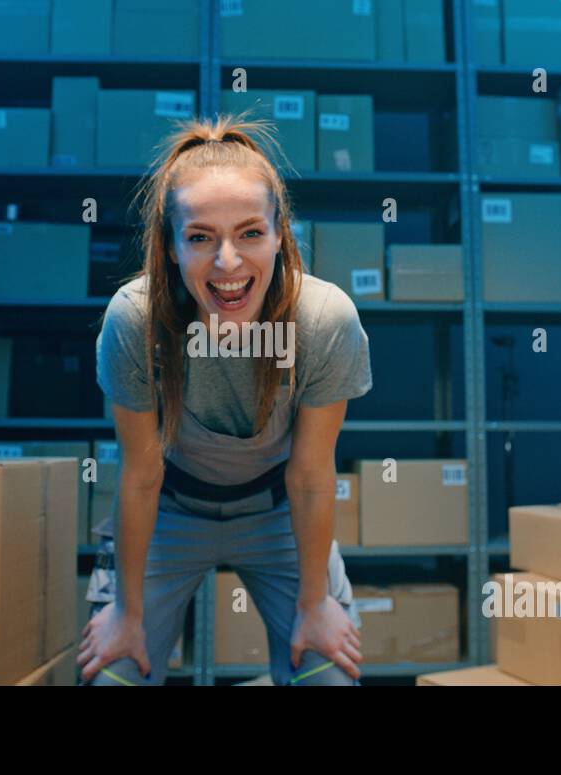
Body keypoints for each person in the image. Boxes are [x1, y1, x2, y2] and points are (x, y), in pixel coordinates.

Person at [79, 113, 373, 686]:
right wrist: (126, 613)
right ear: (169, 246)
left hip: (277, 516)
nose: (229, 263)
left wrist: (316, 605)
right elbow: (140, 475)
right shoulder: (134, 320)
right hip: (167, 512)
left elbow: (311, 476)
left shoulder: (323, 320)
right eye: (200, 238)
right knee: (113, 674)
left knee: (329, 677)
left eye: (250, 233)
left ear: (280, 231)